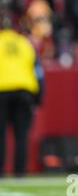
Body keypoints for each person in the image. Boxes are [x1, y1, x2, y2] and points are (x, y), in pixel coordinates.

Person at [0, 16, 44, 177]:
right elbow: (38, 71)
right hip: (24, 91)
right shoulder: (25, 43)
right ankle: (20, 173)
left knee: (1, 135)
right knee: (21, 135)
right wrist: (39, 98)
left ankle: (1, 173)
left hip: (2, 90)